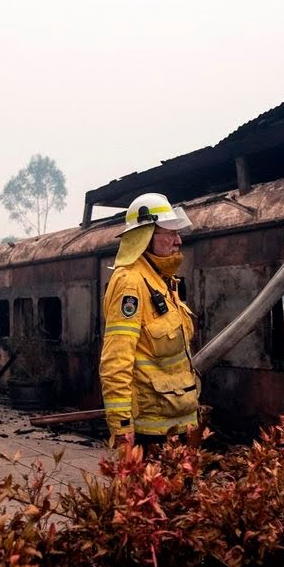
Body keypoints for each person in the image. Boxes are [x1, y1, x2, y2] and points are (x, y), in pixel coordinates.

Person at [99, 192, 200, 455]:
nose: (178, 241)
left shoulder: (163, 280)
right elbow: (115, 361)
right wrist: (122, 427)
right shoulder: (130, 283)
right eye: (170, 233)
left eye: (178, 233)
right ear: (145, 236)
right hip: (150, 431)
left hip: (178, 422)